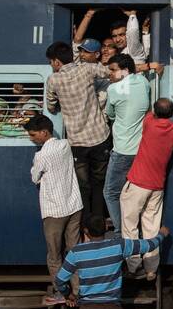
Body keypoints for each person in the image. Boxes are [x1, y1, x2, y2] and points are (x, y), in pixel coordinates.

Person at [44, 41, 112, 236]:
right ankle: (99, 224)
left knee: (83, 186)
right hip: (100, 137)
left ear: (57, 62)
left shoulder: (53, 80)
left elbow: (51, 107)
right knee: (99, 182)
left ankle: (86, 227)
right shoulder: (88, 69)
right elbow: (111, 73)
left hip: (77, 142)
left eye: (51, 62)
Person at [121, 97, 173, 279]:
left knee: (129, 224)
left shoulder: (149, 124)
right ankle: (151, 269)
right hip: (157, 185)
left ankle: (133, 265)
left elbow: (148, 114)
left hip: (138, 182)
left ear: (155, 112)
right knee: (151, 226)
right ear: (171, 114)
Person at [25, 114, 83, 294]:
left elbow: (35, 177)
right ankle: (79, 289)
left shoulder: (41, 155)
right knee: (73, 251)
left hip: (54, 210)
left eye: (33, 135)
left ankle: (61, 291)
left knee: (54, 255)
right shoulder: (65, 145)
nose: (31, 139)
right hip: (74, 205)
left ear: (44, 133)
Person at [103, 53, 152, 230]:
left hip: (123, 150)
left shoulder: (113, 90)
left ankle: (120, 232)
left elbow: (110, 114)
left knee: (110, 193)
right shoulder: (144, 83)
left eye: (113, 70)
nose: (110, 74)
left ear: (124, 71)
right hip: (141, 150)